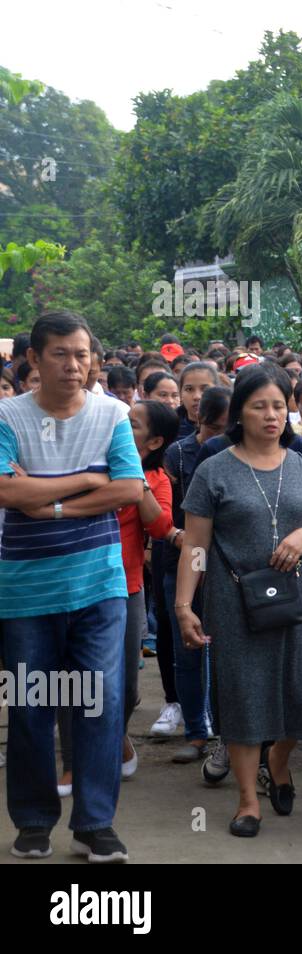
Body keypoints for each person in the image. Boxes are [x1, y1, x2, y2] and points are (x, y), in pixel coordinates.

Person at [174, 364, 302, 838]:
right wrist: (184, 606)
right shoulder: (214, 469)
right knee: (243, 697)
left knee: (298, 695)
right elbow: (195, 545)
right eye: (258, 406)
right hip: (232, 601)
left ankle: (279, 760)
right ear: (239, 412)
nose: (271, 415)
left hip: (294, 600)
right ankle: (249, 800)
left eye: (277, 405)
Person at [0, 311, 144, 863]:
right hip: (25, 589)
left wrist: (50, 504)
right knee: (31, 706)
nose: (73, 364)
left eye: (81, 353)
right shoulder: (7, 416)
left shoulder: (111, 413)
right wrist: (88, 479)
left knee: (101, 704)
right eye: (60, 353)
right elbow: (8, 494)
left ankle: (94, 823)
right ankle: (34, 821)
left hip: (99, 585)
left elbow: (129, 488)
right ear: (33, 359)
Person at [57, 400, 179, 796]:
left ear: (155, 440)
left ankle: (115, 737)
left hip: (126, 586)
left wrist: (134, 480)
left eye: (134, 424)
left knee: (123, 686)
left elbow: (160, 526)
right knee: (75, 678)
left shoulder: (158, 477)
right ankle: (74, 764)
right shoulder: (92, 460)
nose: (123, 427)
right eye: (123, 421)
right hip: (76, 581)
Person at [161, 386, 231, 762]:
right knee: (187, 650)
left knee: (223, 651)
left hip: (224, 564)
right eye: (215, 426)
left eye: (227, 426)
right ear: (200, 420)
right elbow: (172, 512)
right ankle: (195, 732)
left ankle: (225, 734)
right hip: (183, 557)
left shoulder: (235, 454)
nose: (221, 433)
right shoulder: (178, 453)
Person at [176, 362, 220, 441]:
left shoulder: (230, 428)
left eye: (205, 389)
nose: (197, 396)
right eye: (189, 389)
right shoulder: (168, 429)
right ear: (180, 393)